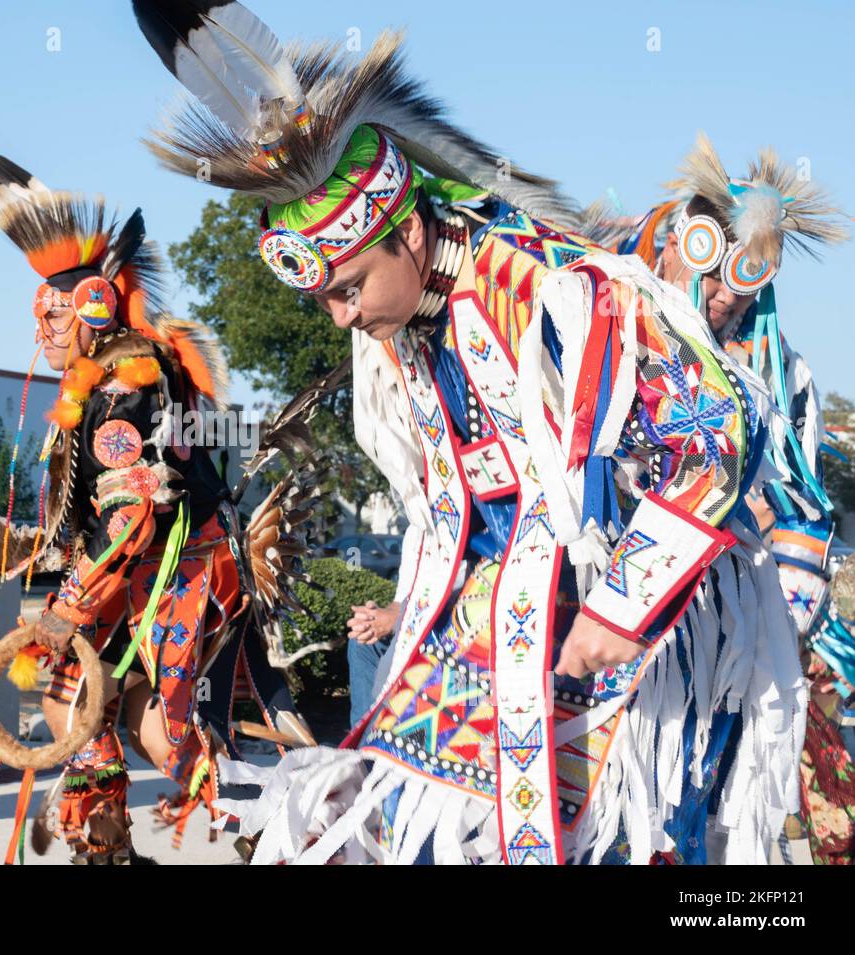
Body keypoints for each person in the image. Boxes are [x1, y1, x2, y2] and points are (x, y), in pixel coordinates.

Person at [132, 0, 805, 863]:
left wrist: (623, 602)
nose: (342, 318)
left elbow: (721, 432)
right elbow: (455, 506)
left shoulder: (555, 287)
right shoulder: (406, 331)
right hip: (482, 636)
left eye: (350, 288)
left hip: (619, 640)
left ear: (407, 231)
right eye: (324, 300)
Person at [0, 155, 316, 863]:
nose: (43, 329)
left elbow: (133, 515)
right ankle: (107, 846)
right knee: (71, 699)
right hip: (142, 575)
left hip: (182, 572)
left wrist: (70, 607)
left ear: (95, 305)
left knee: (171, 735)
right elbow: (100, 522)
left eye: (56, 313)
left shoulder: (126, 385)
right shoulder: (101, 385)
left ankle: (296, 828)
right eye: (38, 313)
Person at [614, 135, 853, 862]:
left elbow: (801, 506)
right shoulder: (612, 332)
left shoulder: (778, 375)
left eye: (741, 289)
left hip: (731, 633)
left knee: (702, 814)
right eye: (711, 279)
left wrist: (769, 629)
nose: (722, 298)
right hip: (615, 621)